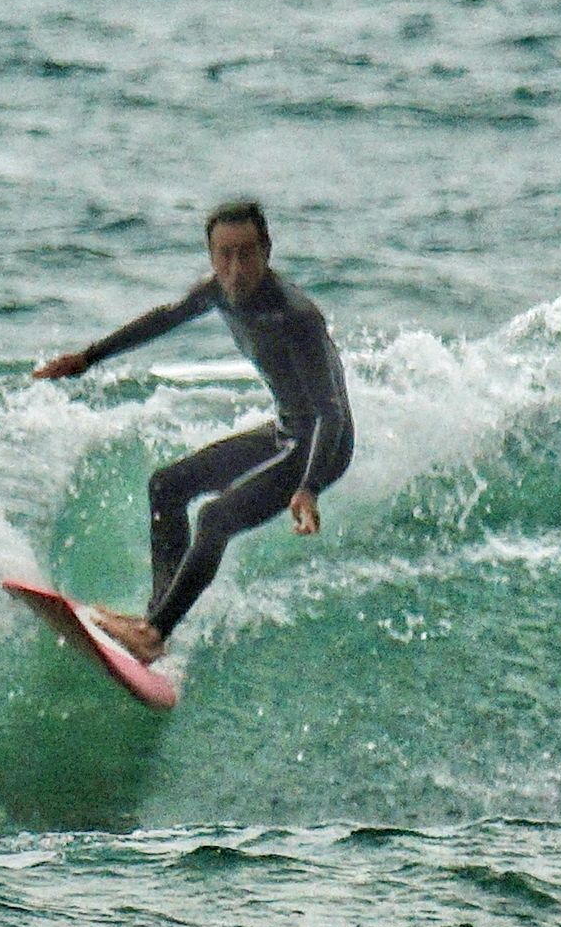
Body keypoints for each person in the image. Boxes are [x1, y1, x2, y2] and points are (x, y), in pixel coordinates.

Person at [32, 201, 354, 663]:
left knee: (214, 519)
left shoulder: (296, 316)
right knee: (166, 486)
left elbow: (331, 412)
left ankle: (155, 633)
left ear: (267, 251)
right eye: (224, 255)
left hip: (322, 446)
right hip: (286, 432)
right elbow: (164, 318)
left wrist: (309, 487)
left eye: (247, 254)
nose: (236, 268)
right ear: (210, 257)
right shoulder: (217, 292)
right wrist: (88, 357)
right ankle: (154, 622)